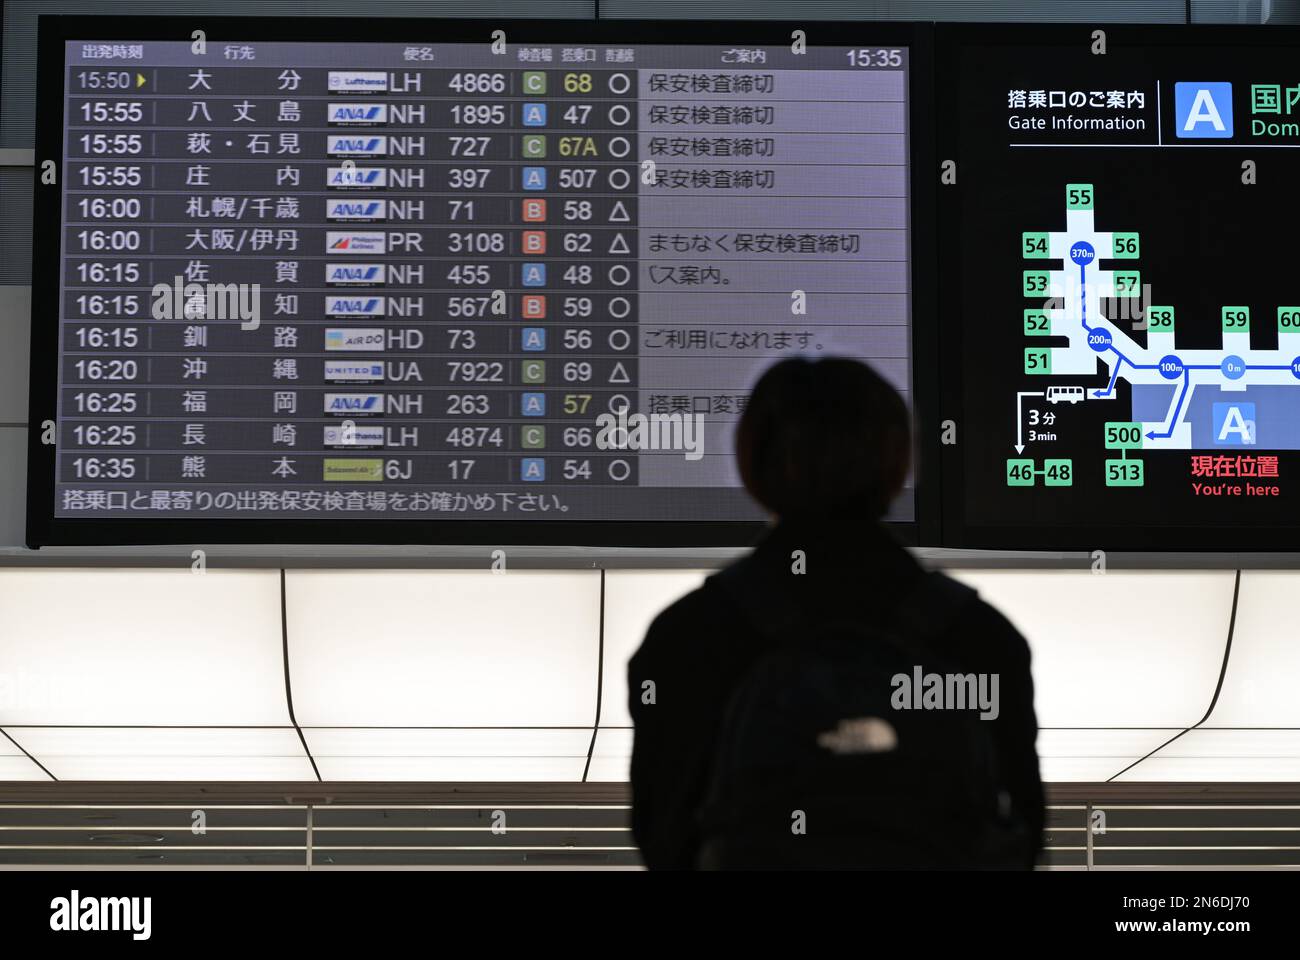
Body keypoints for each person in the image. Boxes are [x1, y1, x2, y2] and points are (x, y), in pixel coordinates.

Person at [627, 357, 1043, 870]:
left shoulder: (688, 638)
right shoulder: (978, 638)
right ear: (899, 461)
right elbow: (1022, 836)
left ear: (751, 461)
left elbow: (665, 840)